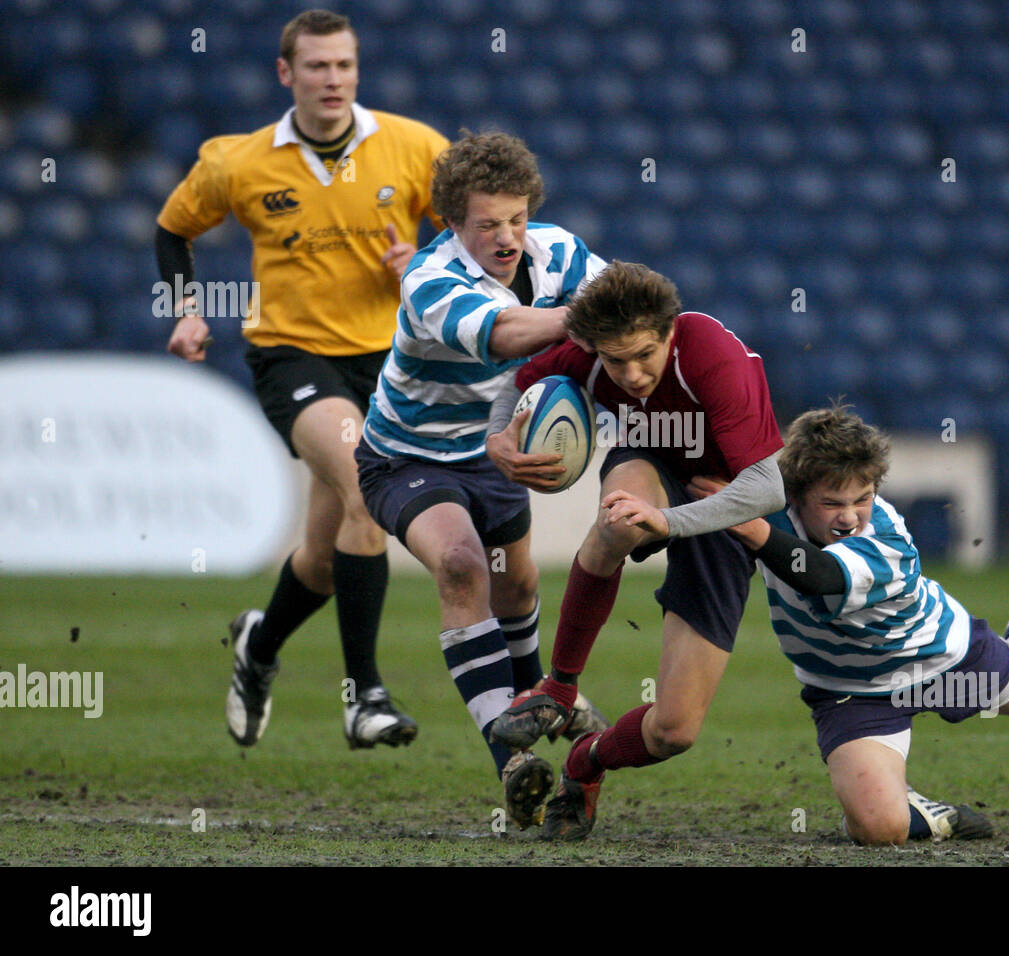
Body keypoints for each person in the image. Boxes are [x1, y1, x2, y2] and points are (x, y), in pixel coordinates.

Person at [156, 9, 450, 750]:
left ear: (358, 70)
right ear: (286, 73)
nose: (332, 79)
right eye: (317, 66)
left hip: (387, 365)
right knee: (364, 486)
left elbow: (481, 240)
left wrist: (425, 264)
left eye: (344, 66)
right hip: (293, 357)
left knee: (322, 559)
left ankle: (258, 646)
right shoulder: (242, 161)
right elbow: (174, 228)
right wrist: (189, 309)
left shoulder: (415, 148)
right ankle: (365, 698)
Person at [691, 404, 1009, 845]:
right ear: (797, 495)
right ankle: (919, 811)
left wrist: (750, 529)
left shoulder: (883, 538)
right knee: (879, 829)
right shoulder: (768, 502)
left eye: (862, 498)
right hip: (848, 688)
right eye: (832, 503)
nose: (849, 517)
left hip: (937, 657)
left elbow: (817, 575)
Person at [354, 130, 610, 829]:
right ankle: (513, 761)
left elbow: (616, 302)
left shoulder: (558, 250)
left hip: (493, 452)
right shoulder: (430, 280)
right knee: (463, 566)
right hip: (407, 458)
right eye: (487, 224)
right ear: (451, 224)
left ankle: (541, 696)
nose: (506, 237)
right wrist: (593, 320)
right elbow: (504, 334)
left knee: (519, 586)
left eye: (517, 219)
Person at [485, 261, 787, 840]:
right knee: (620, 519)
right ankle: (560, 687)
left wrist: (669, 522)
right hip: (649, 466)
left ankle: (584, 763)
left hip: (719, 506)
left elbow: (766, 489)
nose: (631, 373)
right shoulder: (589, 355)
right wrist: (500, 437)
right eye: (614, 359)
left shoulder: (710, 354)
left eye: (644, 354)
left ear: (669, 330)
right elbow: (516, 384)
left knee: (673, 731)